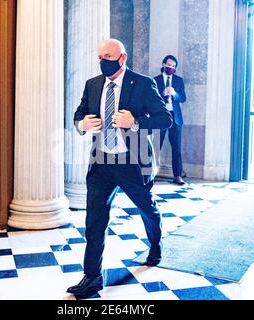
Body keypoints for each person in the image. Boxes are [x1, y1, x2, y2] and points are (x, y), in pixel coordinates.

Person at [67, 39, 173, 299]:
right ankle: (92, 277)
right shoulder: (93, 85)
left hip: (132, 163)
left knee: (146, 208)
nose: (104, 60)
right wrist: (82, 125)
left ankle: (156, 244)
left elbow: (164, 119)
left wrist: (135, 121)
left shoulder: (143, 83)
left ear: (122, 57)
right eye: (100, 56)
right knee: (94, 221)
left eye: (109, 56)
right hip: (102, 162)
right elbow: (78, 115)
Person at [154, 55, 187, 185]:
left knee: (176, 147)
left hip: (175, 116)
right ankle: (152, 173)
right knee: (157, 146)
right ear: (163, 65)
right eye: (169, 65)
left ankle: (177, 175)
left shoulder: (179, 80)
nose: (171, 68)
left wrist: (174, 93)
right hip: (161, 115)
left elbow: (183, 98)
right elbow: (152, 99)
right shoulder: (155, 80)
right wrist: (162, 93)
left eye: (173, 66)